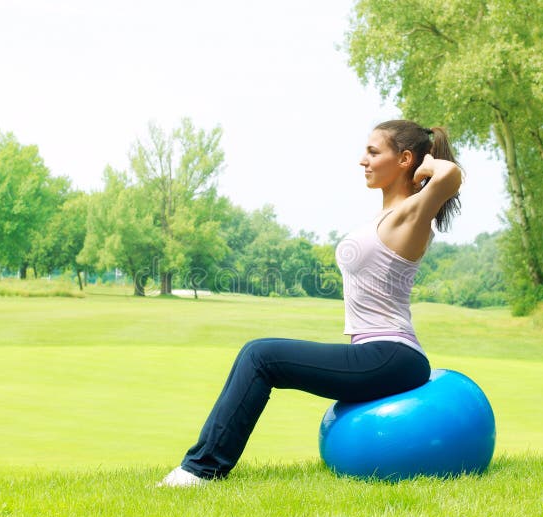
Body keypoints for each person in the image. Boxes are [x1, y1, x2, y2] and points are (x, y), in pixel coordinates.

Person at [158, 119, 463, 487]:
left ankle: (199, 471)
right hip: (377, 354)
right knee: (256, 355)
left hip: (392, 355)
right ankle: (200, 466)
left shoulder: (412, 213)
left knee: (260, 356)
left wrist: (427, 168)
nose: (362, 161)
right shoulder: (386, 216)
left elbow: (450, 175)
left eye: (373, 152)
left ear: (404, 159)